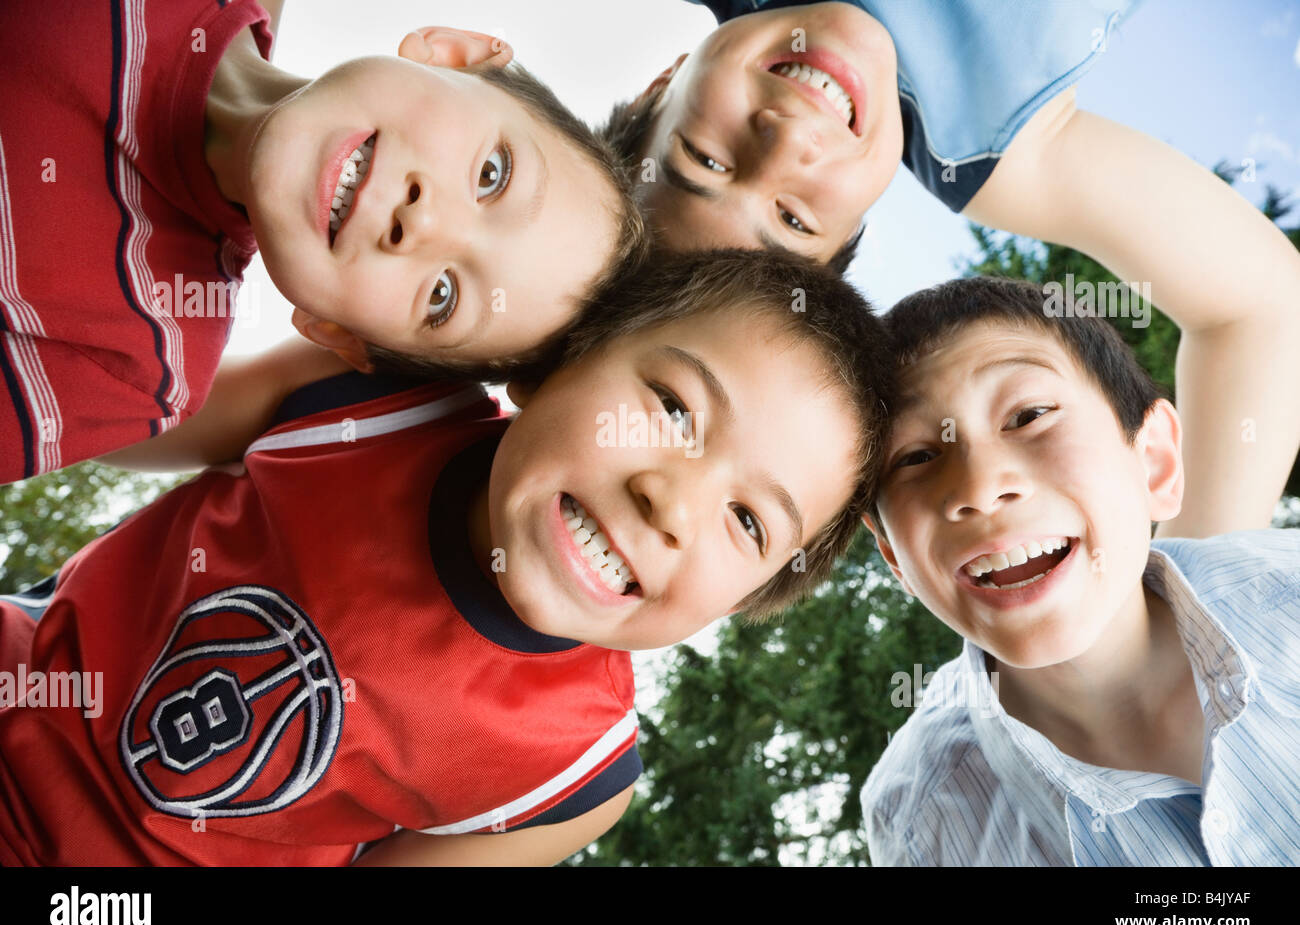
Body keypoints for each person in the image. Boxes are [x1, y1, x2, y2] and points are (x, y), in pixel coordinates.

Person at [0, 249, 890, 866]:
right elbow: (94, 415)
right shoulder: (374, 393)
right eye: (672, 407)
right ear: (552, 363)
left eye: (747, 521)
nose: (673, 499)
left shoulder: (573, 774)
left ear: (741, 601)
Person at [601, 0, 1300, 540]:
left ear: (658, 87)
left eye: (704, 160)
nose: (789, 139)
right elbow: (1260, 307)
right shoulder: (997, 153)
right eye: (794, 221)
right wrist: (1190, 623)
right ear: (853, 230)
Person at [0, 0, 643, 485]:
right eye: (492, 174)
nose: (421, 225)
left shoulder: (141, 366)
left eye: (442, 296)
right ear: (453, 54)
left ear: (337, 332)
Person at [859, 276, 1300, 865]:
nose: (981, 488)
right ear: (895, 558)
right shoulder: (917, 822)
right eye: (915, 457)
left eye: (1029, 415)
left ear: (1155, 464)